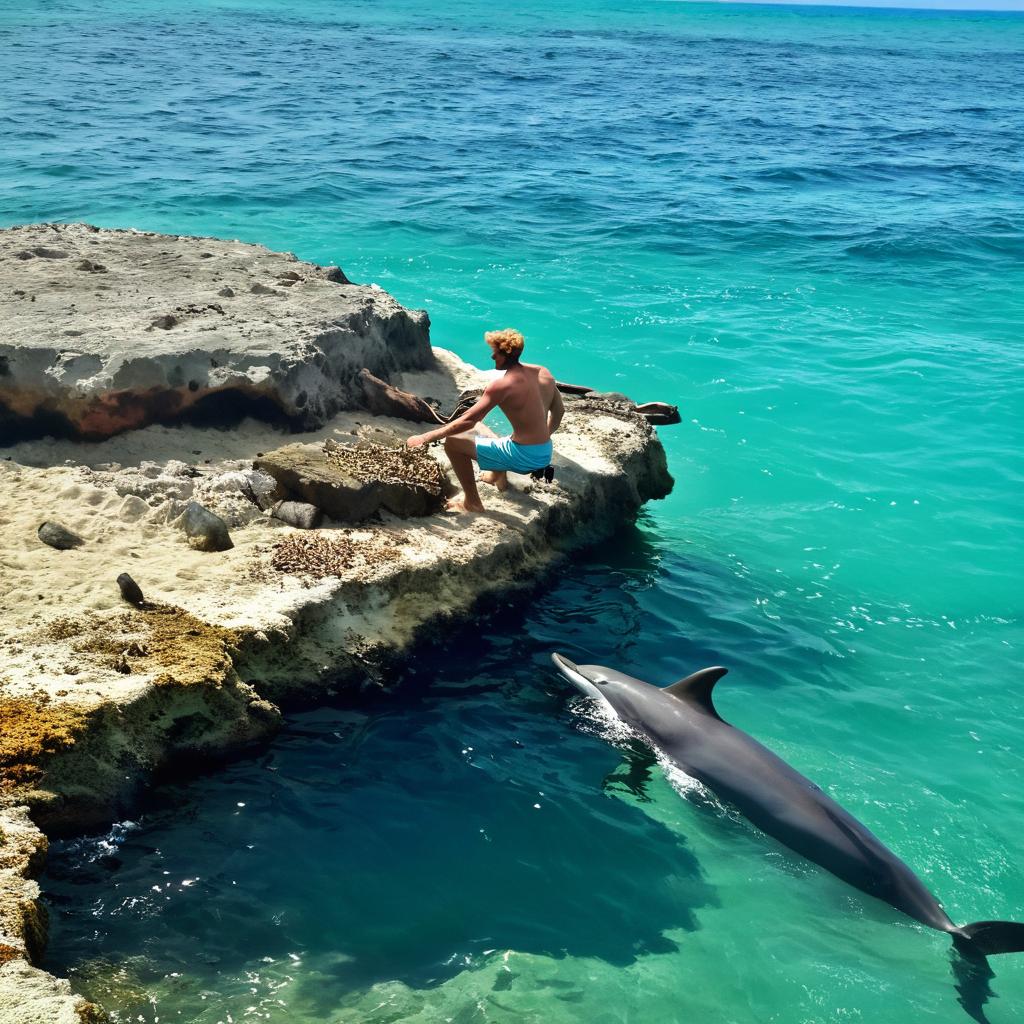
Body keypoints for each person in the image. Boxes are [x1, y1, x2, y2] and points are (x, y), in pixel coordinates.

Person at [406, 328, 564, 513]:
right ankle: (497, 477)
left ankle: (472, 503)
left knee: (453, 444)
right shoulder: (543, 373)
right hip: (544, 451)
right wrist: (541, 439)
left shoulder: (502, 386)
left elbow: (468, 420)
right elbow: (559, 412)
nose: (492, 357)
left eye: (495, 353)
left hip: (523, 458)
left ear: (506, 354)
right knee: (486, 431)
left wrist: (426, 437)